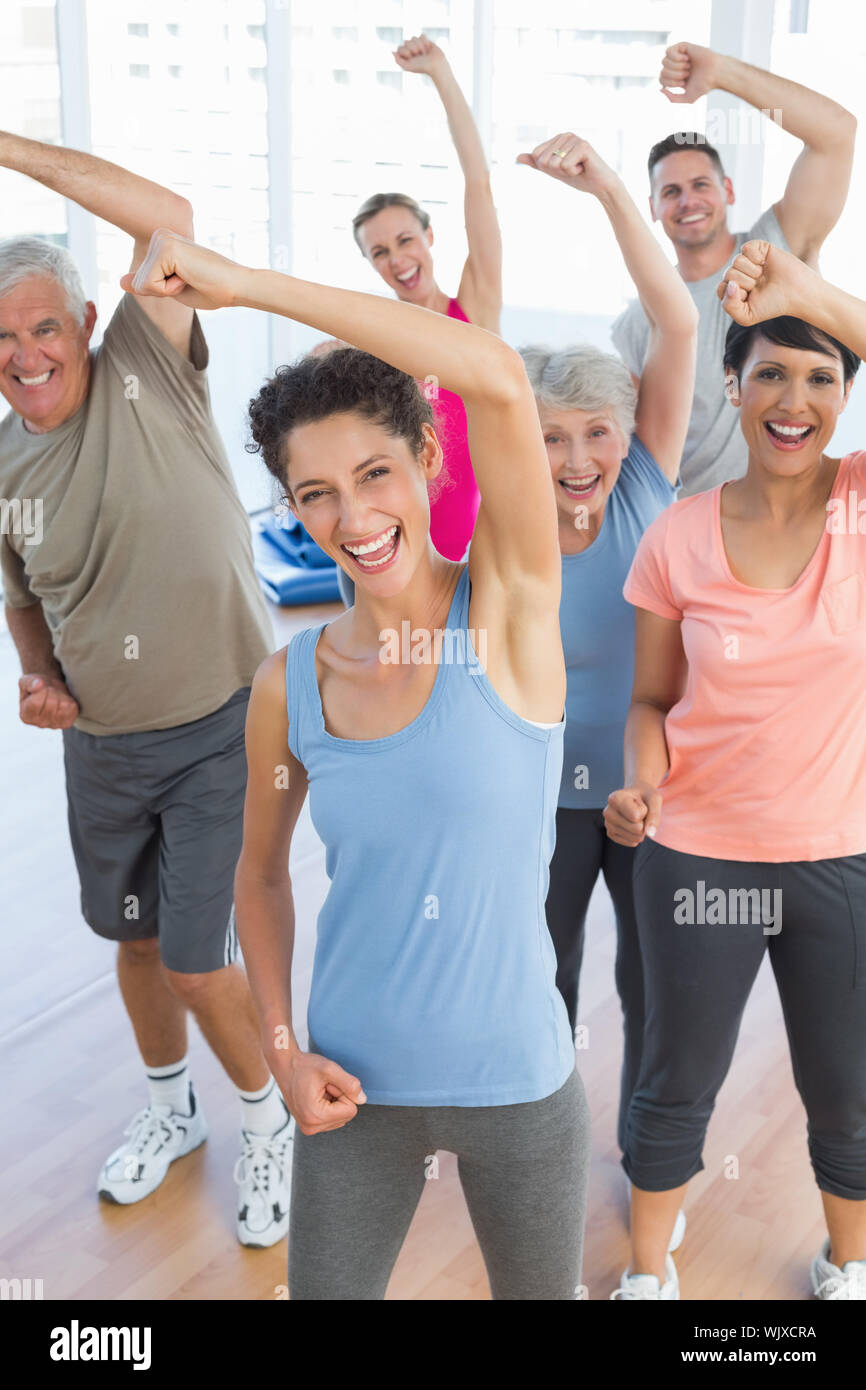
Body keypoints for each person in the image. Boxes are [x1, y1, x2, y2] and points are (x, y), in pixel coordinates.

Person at [125, 223, 591, 1301]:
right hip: (347, 1091)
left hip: (518, 1087)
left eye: (375, 470)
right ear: (290, 510)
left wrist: (246, 287)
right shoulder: (288, 684)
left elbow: (497, 376)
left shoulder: (507, 616)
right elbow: (257, 876)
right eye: (315, 492)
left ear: (428, 459)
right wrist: (281, 1049)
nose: (352, 514)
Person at [0, 132, 293, 1248]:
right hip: (104, 745)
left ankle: (267, 1120)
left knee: (192, 954)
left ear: (80, 324)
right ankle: (173, 1107)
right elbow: (20, 592)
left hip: (223, 719)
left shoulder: (140, 362)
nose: (26, 353)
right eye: (3, 337)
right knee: (131, 943)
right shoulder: (2, 468)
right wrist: (35, 672)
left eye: (42, 325)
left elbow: (165, 210)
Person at [605, 238, 866, 1301]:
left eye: (820, 375)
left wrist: (805, 295)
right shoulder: (675, 535)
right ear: (732, 385)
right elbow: (649, 702)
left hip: (838, 857)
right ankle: (645, 1272)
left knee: (843, 1089)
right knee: (676, 1082)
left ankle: (848, 1265)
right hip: (696, 853)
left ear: (845, 393)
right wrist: (637, 782)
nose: (791, 399)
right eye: (768, 371)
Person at [516, 132, 696, 1255]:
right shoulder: (502, 511)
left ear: (628, 433)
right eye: (548, 438)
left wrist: (604, 194)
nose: (576, 457)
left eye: (595, 431)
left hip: (647, 787)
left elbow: (675, 322)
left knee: (651, 976)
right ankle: (533, 1137)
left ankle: (648, 1151)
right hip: (536, 792)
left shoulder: (644, 480)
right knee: (542, 975)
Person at [611, 39, 856, 496]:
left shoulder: (776, 253)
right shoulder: (640, 322)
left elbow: (837, 134)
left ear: (728, 190)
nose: (687, 201)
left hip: (793, 516)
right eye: (671, 192)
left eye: (701, 184)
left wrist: (722, 73)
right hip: (696, 533)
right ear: (653, 207)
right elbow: (638, 450)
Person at [331, 32, 502, 606]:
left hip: (468, 558)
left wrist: (442, 77)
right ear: (370, 264)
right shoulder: (371, 339)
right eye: (379, 252)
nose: (398, 260)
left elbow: (478, 183)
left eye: (406, 240)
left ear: (429, 237)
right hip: (388, 557)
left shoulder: (473, 312)